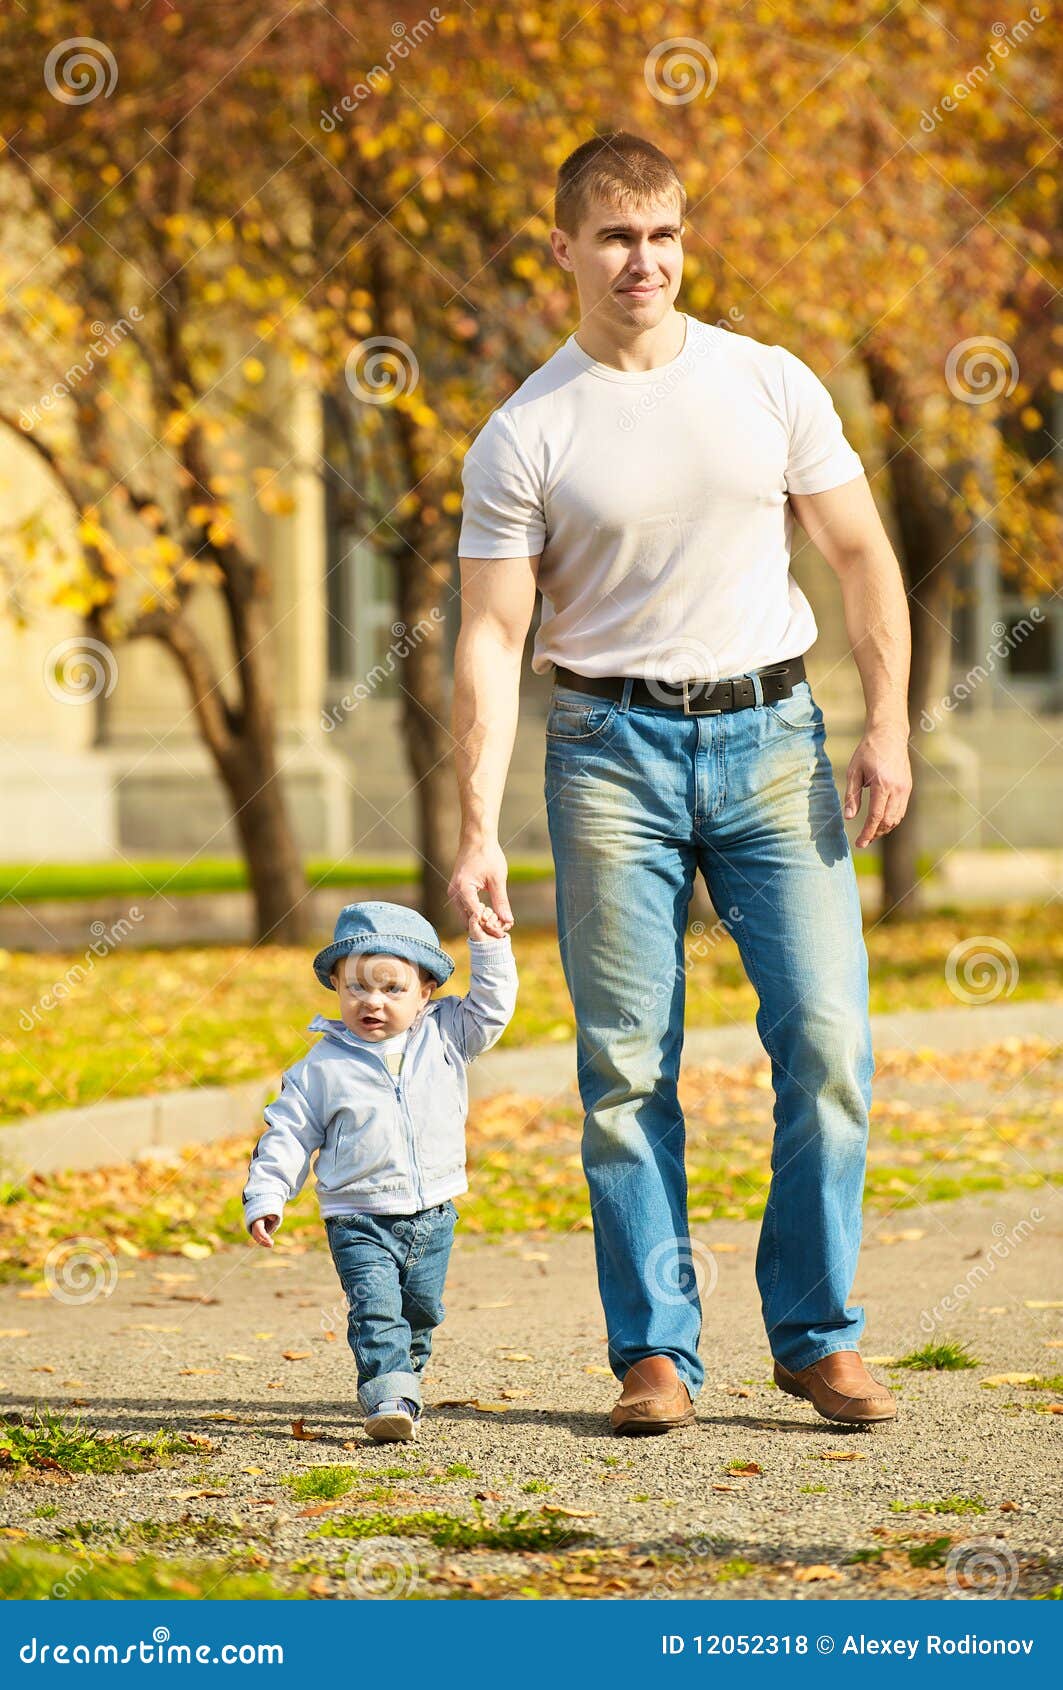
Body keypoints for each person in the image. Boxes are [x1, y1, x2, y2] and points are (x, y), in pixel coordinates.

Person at [448, 131, 912, 1434]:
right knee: (621, 1065)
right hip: (606, 755)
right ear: (562, 251)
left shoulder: (766, 384)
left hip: (774, 739)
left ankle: (813, 1334)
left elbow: (861, 552)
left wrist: (885, 724)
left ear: (681, 241)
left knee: (823, 1038)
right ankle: (653, 1351)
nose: (639, 260)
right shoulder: (524, 430)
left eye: (659, 233)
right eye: (611, 236)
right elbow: (488, 635)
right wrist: (474, 826)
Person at [242, 899, 518, 1442]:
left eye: (392, 989)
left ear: (425, 993)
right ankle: (387, 1394)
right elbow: (288, 1135)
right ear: (337, 988)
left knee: (420, 1311)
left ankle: (404, 1380)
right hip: (358, 1217)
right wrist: (268, 1195)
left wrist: (488, 945)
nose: (372, 1002)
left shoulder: (447, 1036)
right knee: (375, 1309)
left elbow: (491, 1008)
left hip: (433, 1212)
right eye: (357, 988)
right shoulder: (320, 1068)